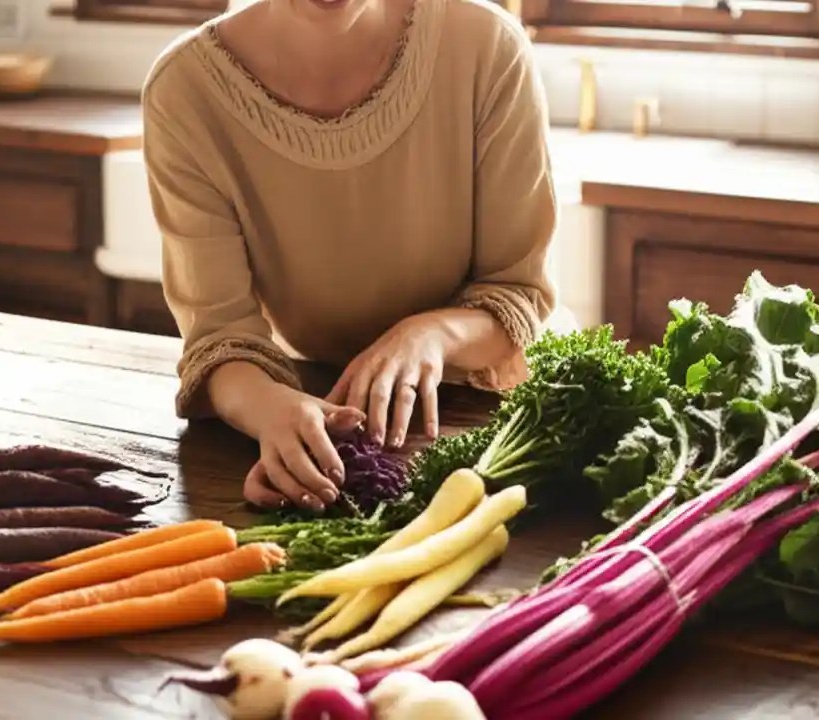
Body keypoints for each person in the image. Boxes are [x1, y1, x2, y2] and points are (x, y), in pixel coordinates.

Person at [143, 0, 559, 513]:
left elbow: (518, 297)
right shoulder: (184, 90)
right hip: (334, 414)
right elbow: (220, 339)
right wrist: (274, 410)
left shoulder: (489, 46)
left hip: (489, 420)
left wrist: (427, 334)